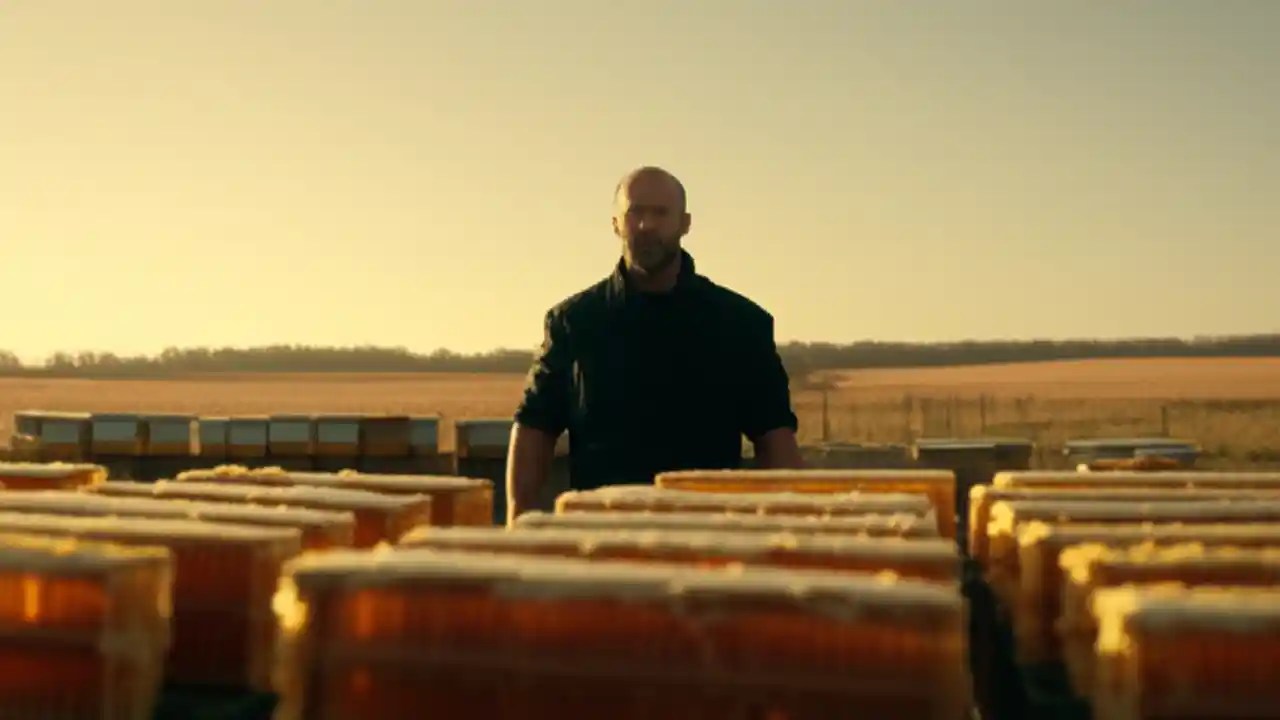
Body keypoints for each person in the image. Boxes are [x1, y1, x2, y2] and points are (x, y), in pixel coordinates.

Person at [504, 165, 803, 523]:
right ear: (616, 223)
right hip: (599, 539)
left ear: (685, 223)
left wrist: (789, 531)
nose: (647, 225)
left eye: (660, 214)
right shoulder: (574, 323)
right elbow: (534, 428)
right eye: (635, 213)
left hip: (708, 537)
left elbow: (775, 438)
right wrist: (517, 520)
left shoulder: (739, 324)